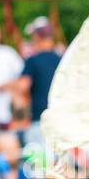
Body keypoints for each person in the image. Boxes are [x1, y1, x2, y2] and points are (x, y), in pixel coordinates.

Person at [18, 16, 62, 146]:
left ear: (37, 36)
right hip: (60, 120)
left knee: (39, 163)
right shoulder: (61, 59)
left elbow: (22, 87)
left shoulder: (32, 60)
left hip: (39, 122)